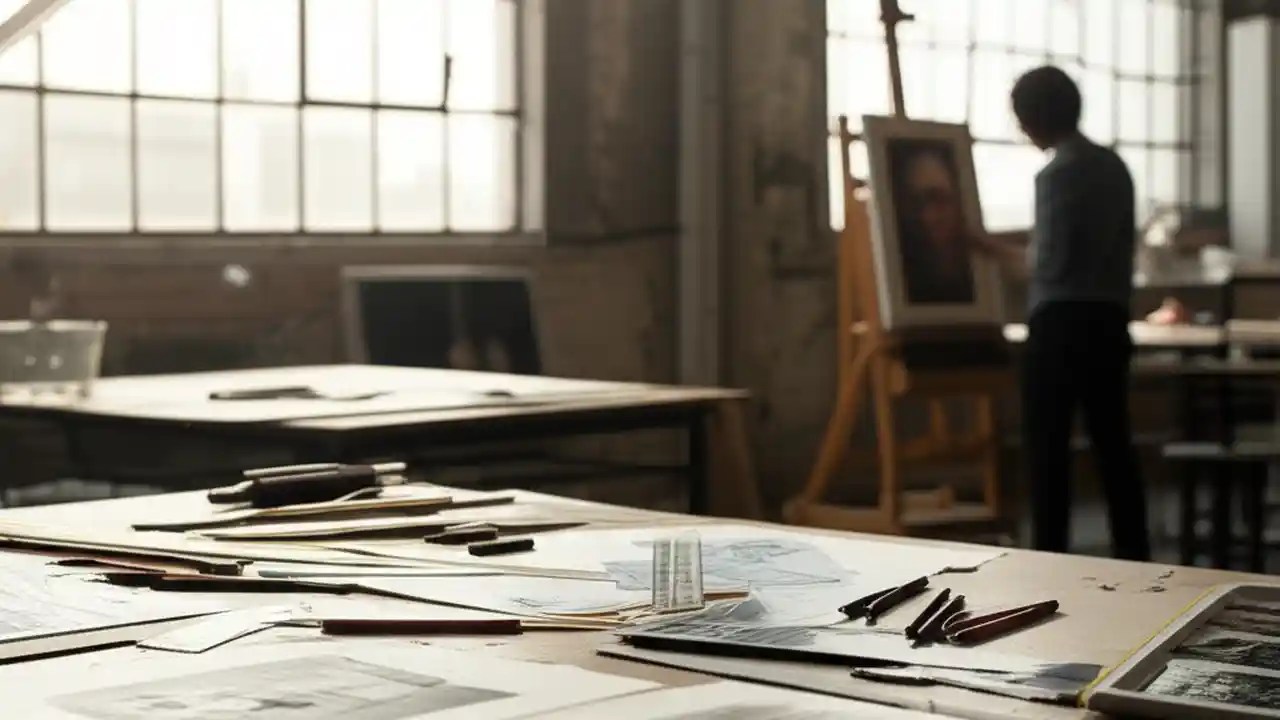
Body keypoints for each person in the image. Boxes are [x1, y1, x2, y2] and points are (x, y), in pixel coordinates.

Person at [972, 66, 1151, 561]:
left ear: (1032, 118)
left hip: (1059, 328)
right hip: (1109, 323)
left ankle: (1050, 557)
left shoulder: (1056, 173)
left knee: (1048, 451)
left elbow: (1047, 262)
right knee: (1114, 445)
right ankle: (1135, 555)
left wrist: (984, 247)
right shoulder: (1113, 167)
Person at [891, 142, 977, 305]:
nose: (927, 217)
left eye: (939, 199)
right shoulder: (904, 271)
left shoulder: (979, 273)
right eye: (915, 203)